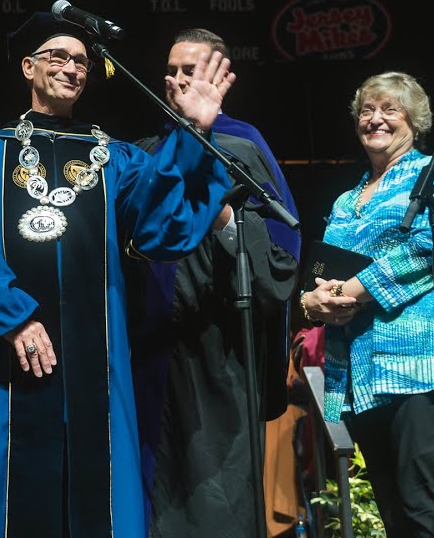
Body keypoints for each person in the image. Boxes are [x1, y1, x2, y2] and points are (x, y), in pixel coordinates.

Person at [0, 13, 234, 538]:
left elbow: (163, 230)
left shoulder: (117, 158)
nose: (71, 68)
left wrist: (193, 130)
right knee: (9, 485)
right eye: (58, 57)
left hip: (100, 359)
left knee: (103, 491)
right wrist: (15, 319)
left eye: (81, 61)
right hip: (12, 357)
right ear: (28, 67)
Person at [299, 71, 434, 538]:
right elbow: (325, 272)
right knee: (395, 512)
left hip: (421, 363)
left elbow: (432, 246)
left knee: (425, 500)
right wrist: (312, 299)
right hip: (361, 371)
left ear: (416, 121)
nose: (376, 119)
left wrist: (352, 291)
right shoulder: (347, 199)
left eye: (390, 109)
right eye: (367, 110)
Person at [125, 28, 300, 537]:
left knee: (214, 493)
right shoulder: (143, 151)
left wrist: (225, 222)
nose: (180, 80)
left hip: (219, 346)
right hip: (150, 347)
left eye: (194, 69)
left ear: (222, 77)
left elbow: (281, 253)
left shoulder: (239, 146)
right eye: (174, 70)